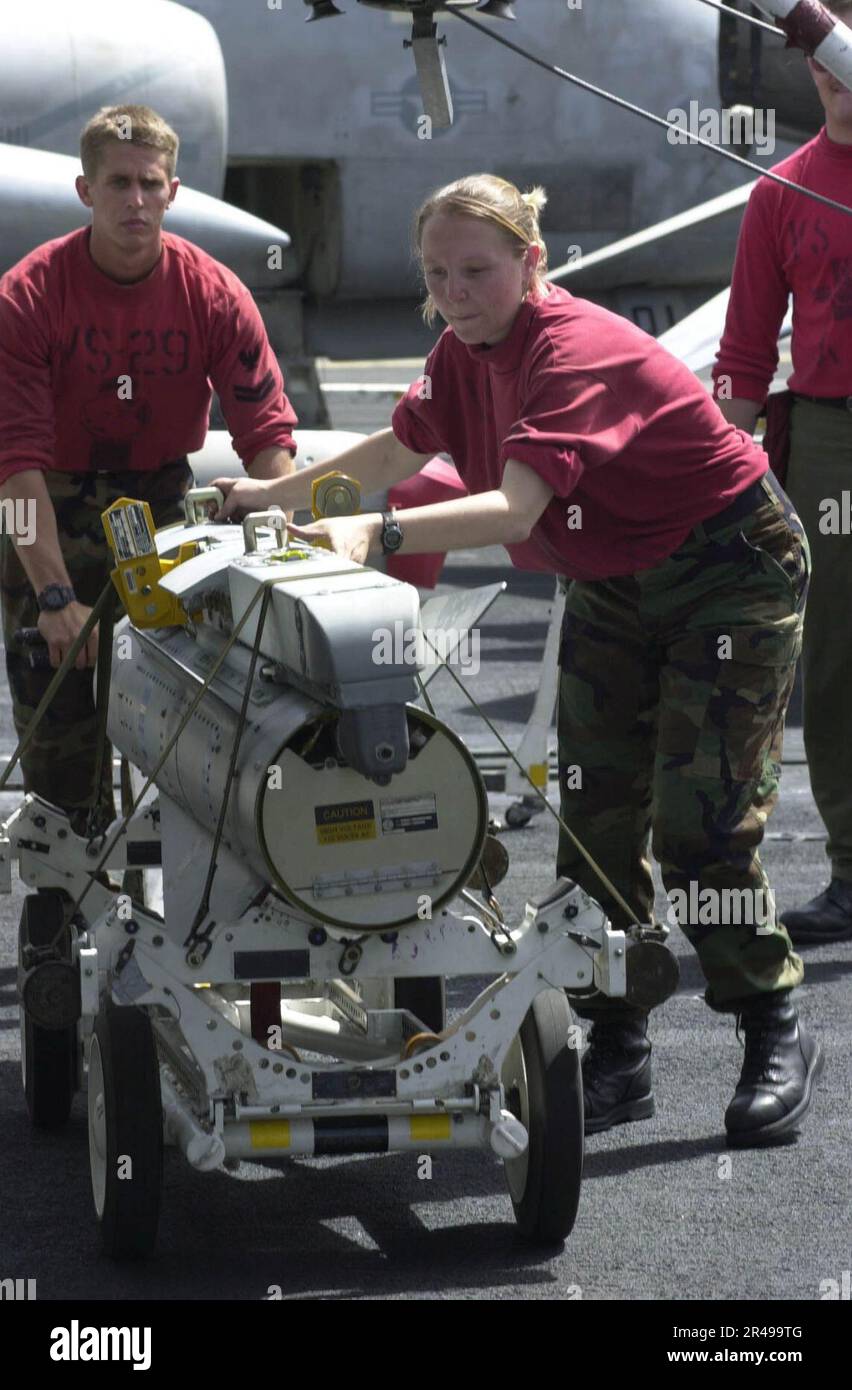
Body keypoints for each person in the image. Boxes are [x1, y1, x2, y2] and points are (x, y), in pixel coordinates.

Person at [214, 173, 823, 1147]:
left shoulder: (569, 351)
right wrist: (274, 493)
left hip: (727, 569)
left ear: (532, 263)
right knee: (593, 819)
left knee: (699, 821)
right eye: (437, 273)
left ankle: (771, 1024)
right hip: (616, 577)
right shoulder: (464, 350)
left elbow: (513, 511)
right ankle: (618, 1046)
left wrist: (378, 532)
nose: (454, 292)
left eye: (477, 271)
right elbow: (391, 449)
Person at [0, 105, 297, 835]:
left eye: (149, 184)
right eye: (118, 183)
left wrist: (282, 545)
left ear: (172, 193)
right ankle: (61, 910)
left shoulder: (215, 292)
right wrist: (54, 595)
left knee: (199, 718)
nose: (135, 200)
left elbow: (267, 435)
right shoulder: (27, 296)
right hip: (46, 504)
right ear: (84, 190)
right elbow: (13, 465)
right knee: (59, 731)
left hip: (161, 501)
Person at [714, 0, 852, 945]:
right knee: (837, 659)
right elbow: (746, 354)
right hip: (833, 437)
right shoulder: (783, 192)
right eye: (827, 42)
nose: (833, 63)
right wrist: (719, 485)